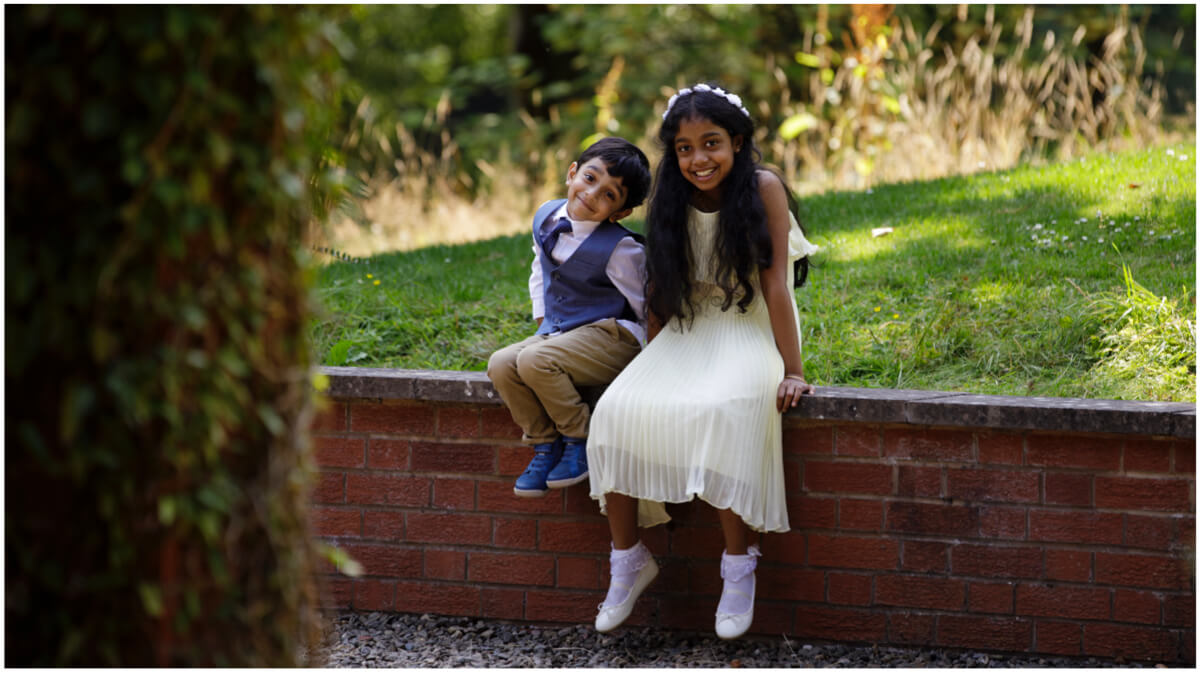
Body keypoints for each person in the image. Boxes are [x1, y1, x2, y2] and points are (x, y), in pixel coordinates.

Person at [586, 83, 818, 640]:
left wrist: (793, 370)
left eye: (710, 143)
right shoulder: (671, 192)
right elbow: (662, 287)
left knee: (723, 410)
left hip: (747, 328)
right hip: (688, 328)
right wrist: (653, 360)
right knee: (616, 409)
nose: (698, 159)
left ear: (737, 141)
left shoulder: (763, 188)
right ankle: (628, 560)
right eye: (685, 148)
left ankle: (739, 564)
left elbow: (777, 288)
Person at [487, 137, 652, 498]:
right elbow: (539, 266)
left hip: (615, 335)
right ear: (572, 172)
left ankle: (580, 439)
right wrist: (543, 319)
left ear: (620, 213)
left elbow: (646, 304)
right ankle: (546, 445)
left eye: (610, 195)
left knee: (535, 360)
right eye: (590, 179)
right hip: (563, 331)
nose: (593, 194)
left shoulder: (622, 249)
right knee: (502, 363)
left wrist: (656, 359)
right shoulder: (547, 216)